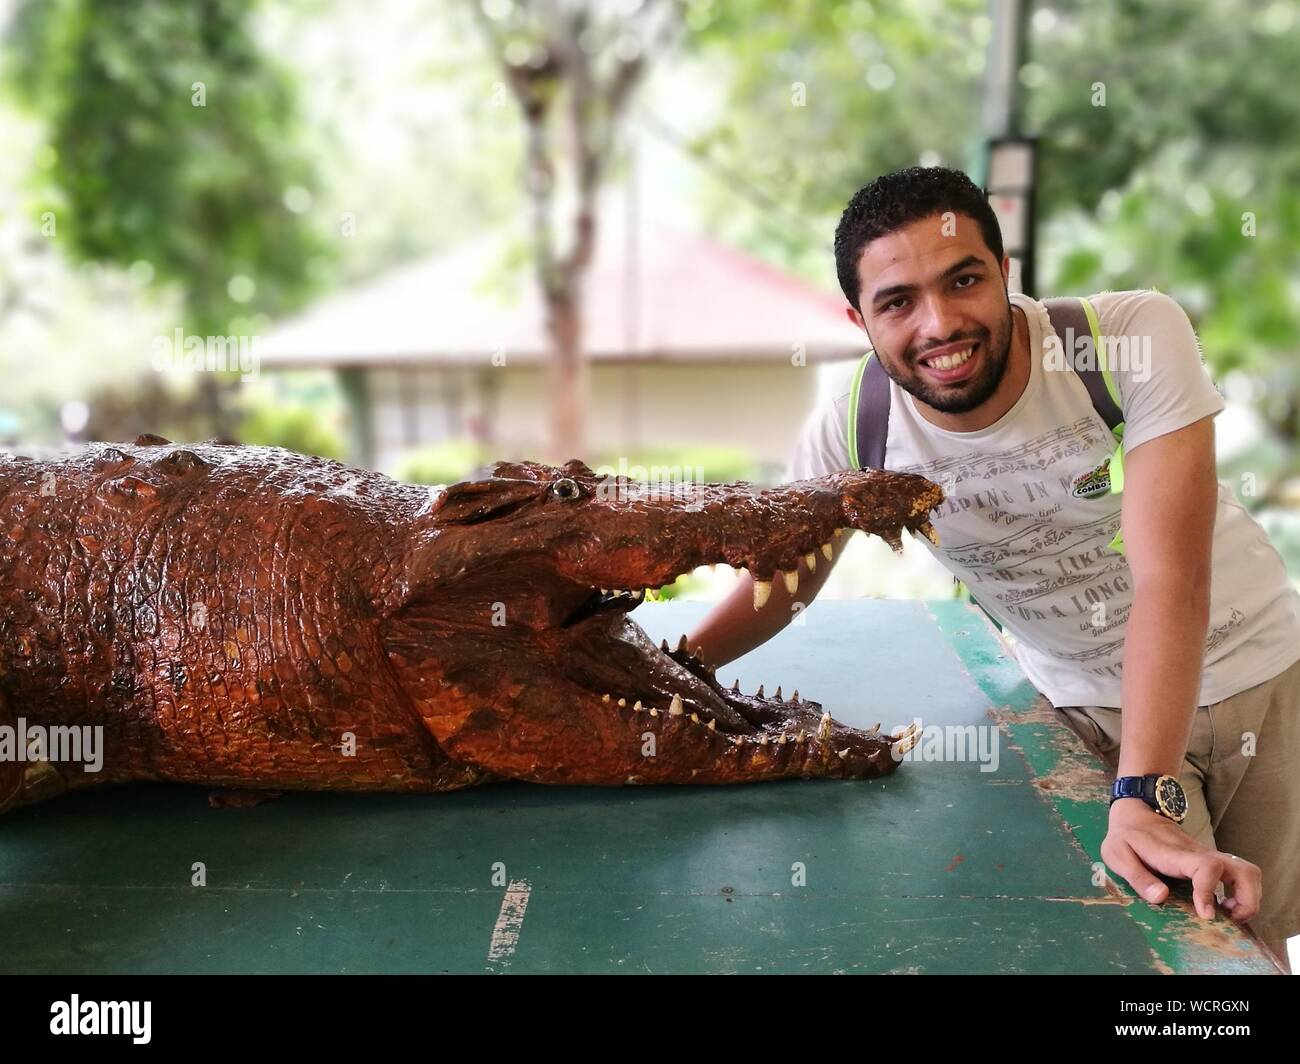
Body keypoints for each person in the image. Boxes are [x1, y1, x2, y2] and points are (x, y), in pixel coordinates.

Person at [686, 166, 1300, 972]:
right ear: (858, 319)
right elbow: (782, 584)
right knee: (1193, 960)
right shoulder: (853, 427)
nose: (940, 323)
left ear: (1005, 273)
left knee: (1265, 939)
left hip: (1269, 671)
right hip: (1098, 708)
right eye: (898, 302)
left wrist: (1142, 795)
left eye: (964, 280)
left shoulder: (1128, 340)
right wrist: (670, 671)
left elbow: (1169, 579)